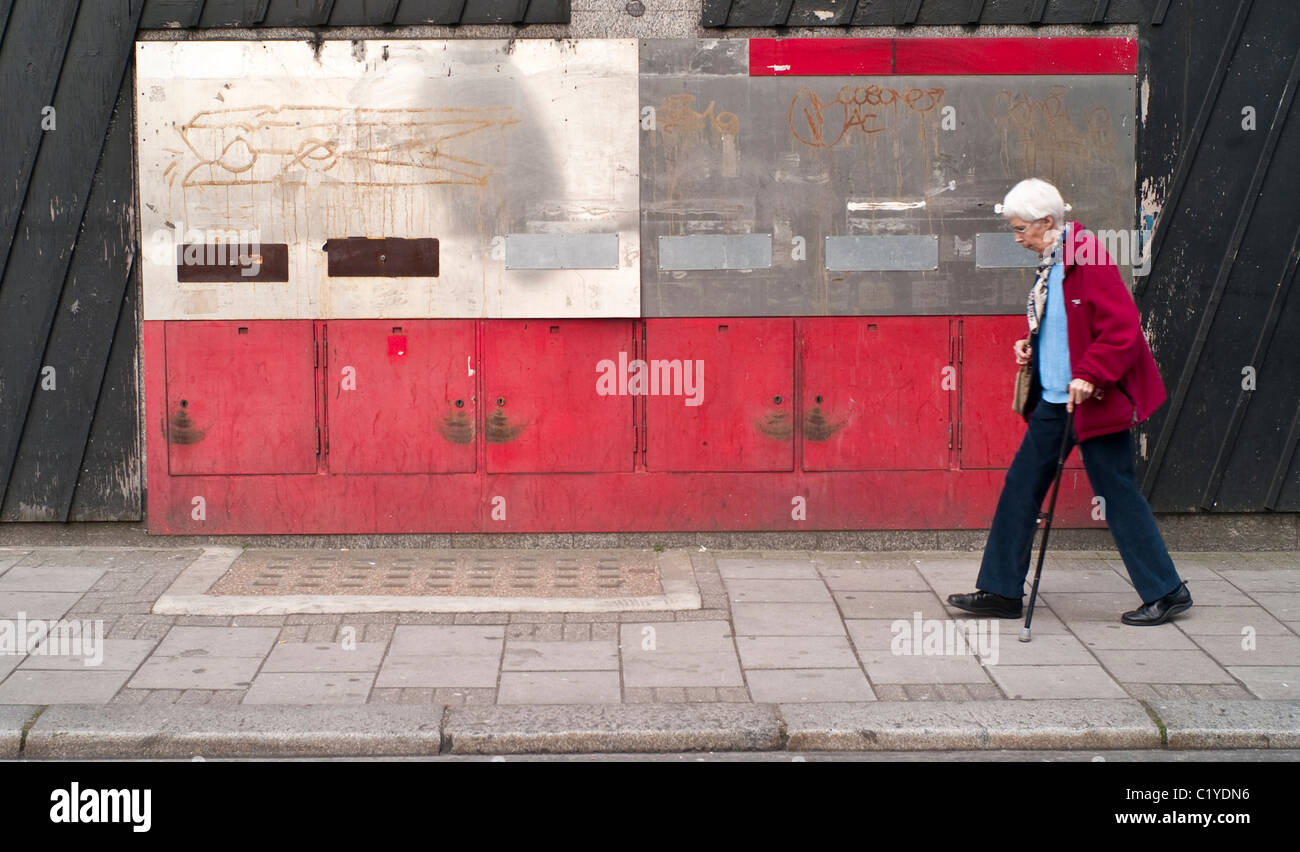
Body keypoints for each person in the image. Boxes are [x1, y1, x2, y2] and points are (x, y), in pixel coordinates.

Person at [947, 178, 1192, 626]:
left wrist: (1091, 374)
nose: (1016, 237)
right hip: (1054, 401)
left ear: (1046, 222)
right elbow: (1067, 324)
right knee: (1021, 488)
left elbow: (1123, 330)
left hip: (1091, 400)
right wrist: (1032, 344)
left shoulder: (1088, 256)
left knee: (1118, 494)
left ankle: (1167, 590)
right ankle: (1001, 590)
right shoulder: (1052, 260)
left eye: (1021, 228)